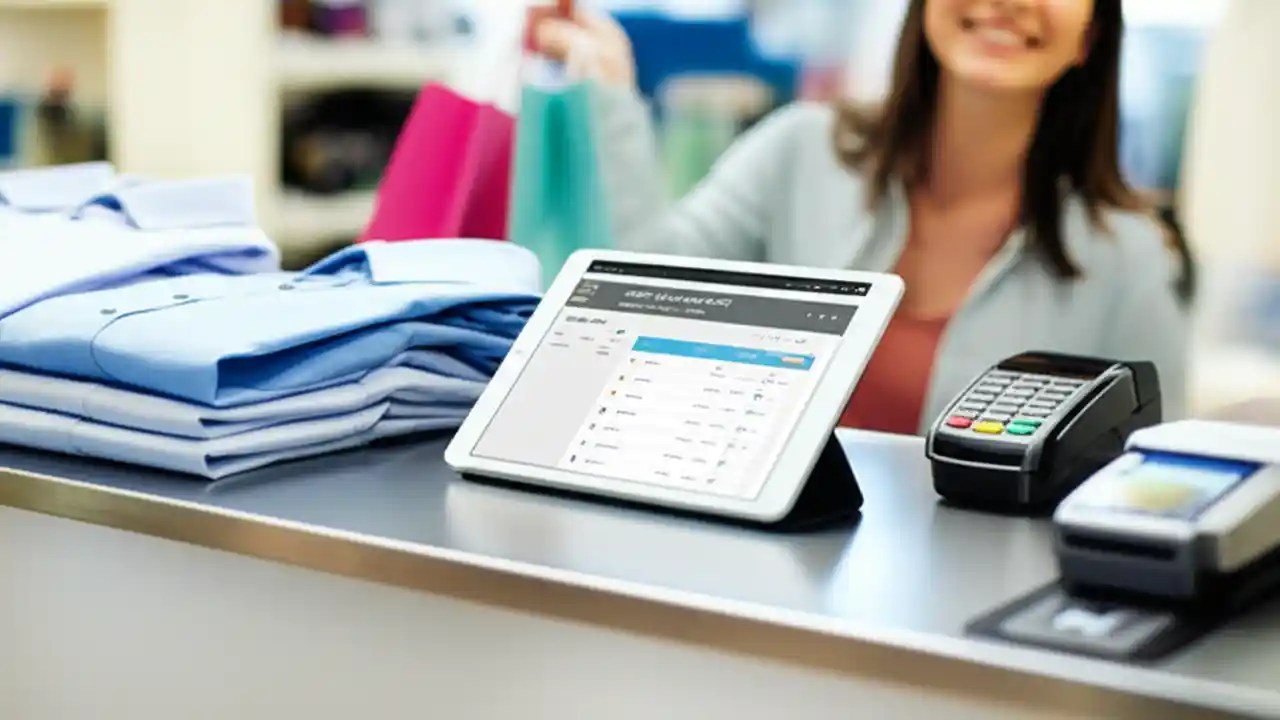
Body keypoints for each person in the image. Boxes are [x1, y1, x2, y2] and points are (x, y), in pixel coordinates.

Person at [535, 0, 1190, 435]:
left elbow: (1148, 490)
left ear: (1092, 36)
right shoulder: (800, 149)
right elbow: (646, 292)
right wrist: (612, 91)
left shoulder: (1128, 257)